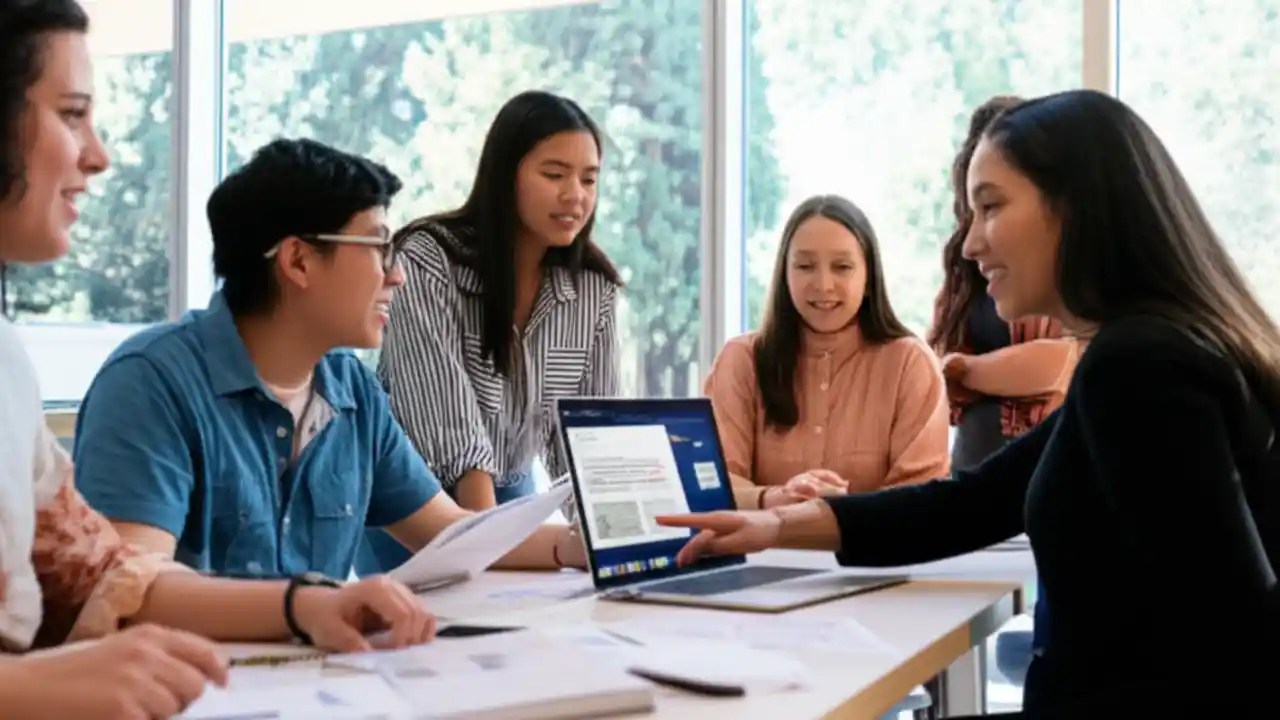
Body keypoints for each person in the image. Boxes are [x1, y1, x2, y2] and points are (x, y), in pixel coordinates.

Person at [656, 90, 1277, 716]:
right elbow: (973, 502)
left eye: (990, 207)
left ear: (1076, 207)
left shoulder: (1140, 366)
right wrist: (774, 525)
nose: (971, 243)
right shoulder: (1146, 354)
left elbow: (1234, 638)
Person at [0, 3, 433, 717]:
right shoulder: (156, 378)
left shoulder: (8, 360)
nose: (99, 154)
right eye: (71, 113)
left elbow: (111, 576)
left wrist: (305, 605)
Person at [72, 136, 587, 587]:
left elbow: (454, 534)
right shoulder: (148, 384)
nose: (397, 275)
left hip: (321, 681)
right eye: (379, 247)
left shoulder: (352, 391)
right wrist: (313, 609)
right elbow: (135, 590)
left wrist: (580, 547)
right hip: (190, 690)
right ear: (298, 261)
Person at [361, 90, 622, 572]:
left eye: (589, 179)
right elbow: (454, 431)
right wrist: (488, 552)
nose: (575, 195)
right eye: (554, 174)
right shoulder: (426, 261)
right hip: (413, 502)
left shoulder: (592, 288)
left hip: (508, 493)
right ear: (506, 177)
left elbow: (589, 439)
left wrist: (615, 544)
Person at [704, 195, 949, 511]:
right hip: (761, 556)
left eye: (842, 267)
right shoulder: (740, 360)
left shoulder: (910, 364)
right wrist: (774, 499)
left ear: (868, 279)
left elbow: (922, 497)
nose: (823, 284)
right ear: (784, 275)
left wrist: (843, 515)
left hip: (874, 558)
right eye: (805, 266)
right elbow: (711, 485)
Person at [928, 95, 1079, 470]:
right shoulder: (965, 267)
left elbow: (1061, 362)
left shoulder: (1076, 281)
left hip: (1035, 464)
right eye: (971, 209)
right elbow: (932, 377)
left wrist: (969, 369)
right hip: (974, 461)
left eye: (992, 206)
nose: (972, 243)